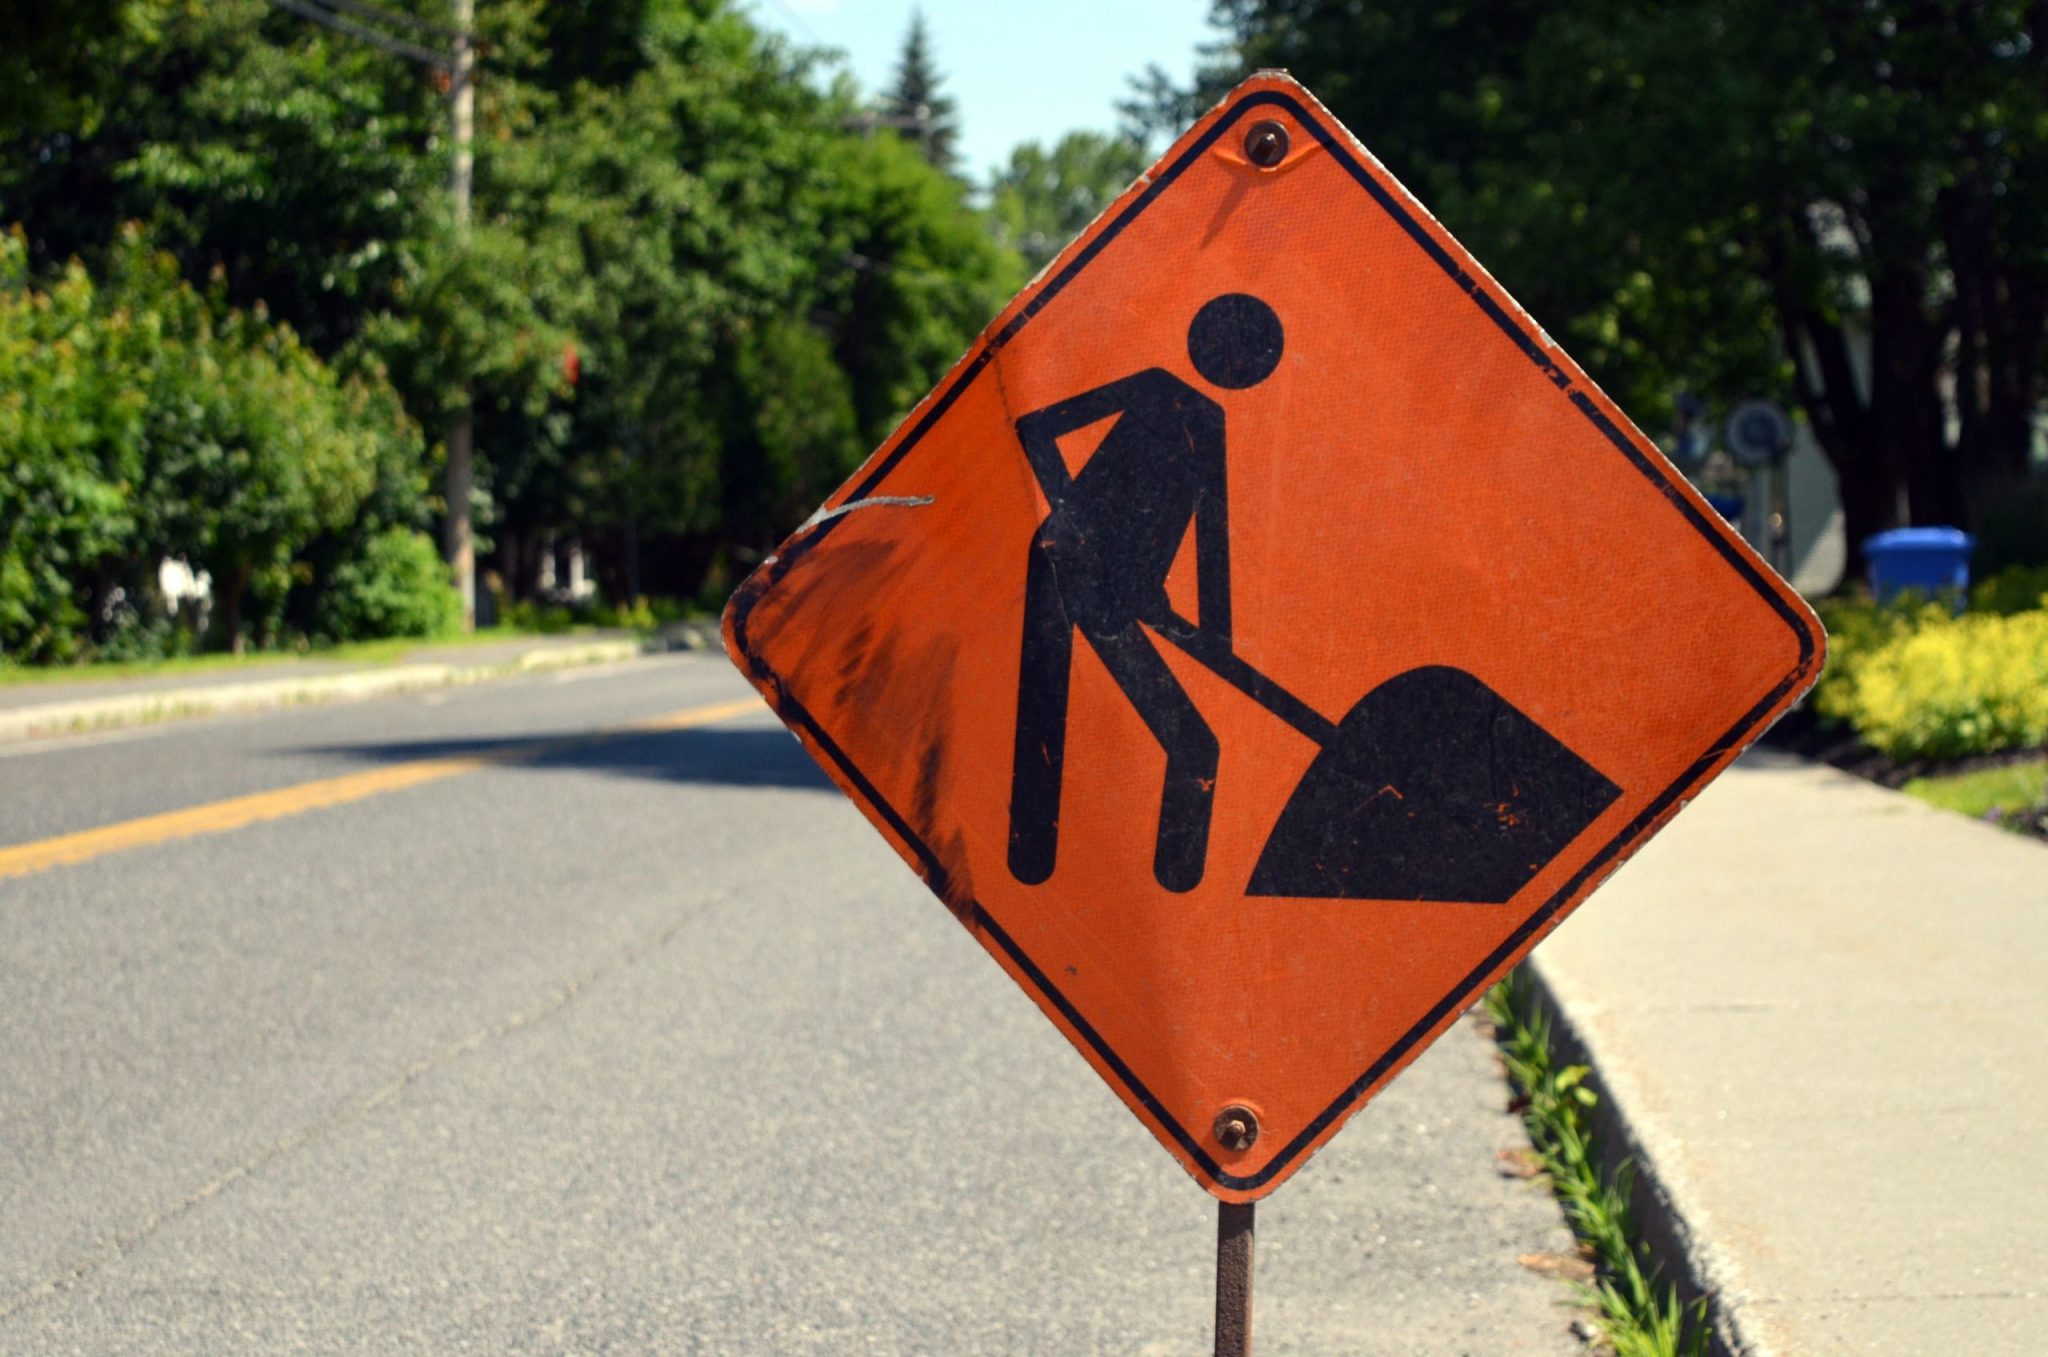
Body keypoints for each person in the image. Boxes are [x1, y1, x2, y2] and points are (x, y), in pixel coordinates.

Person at [1006, 293, 1284, 892]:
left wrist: (1214, 638)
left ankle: (1177, 892)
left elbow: (1213, 548)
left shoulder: (1209, 427)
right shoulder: (1155, 388)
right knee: (1044, 711)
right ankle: (1029, 870)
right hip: (1061, 563)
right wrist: (1073, 518)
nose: (1240, 361)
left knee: (1194, 746)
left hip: (1120, 594)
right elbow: (1036, 429)